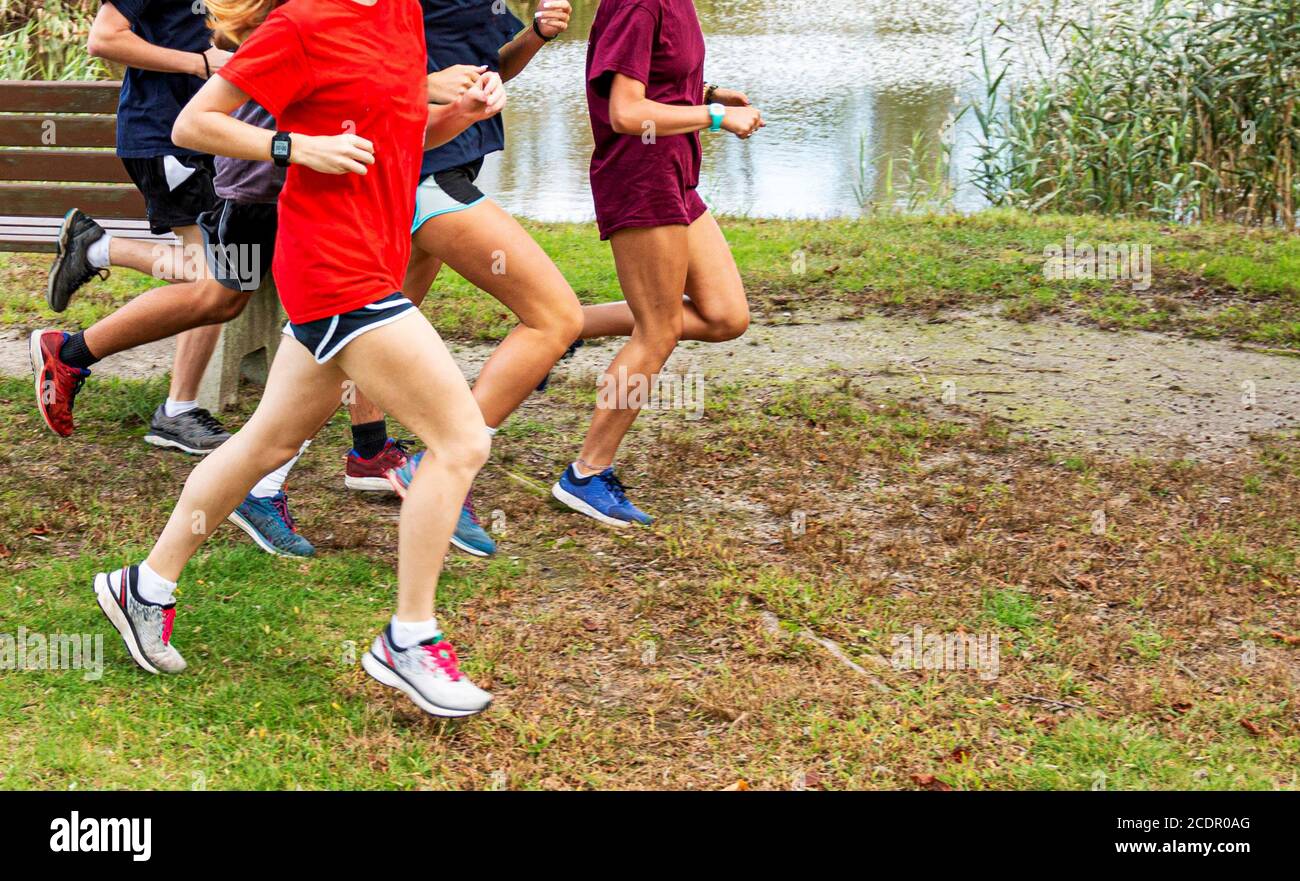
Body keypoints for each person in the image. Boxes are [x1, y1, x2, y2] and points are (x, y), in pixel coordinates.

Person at [92, 0, 508, 717]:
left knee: (268, 441)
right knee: (461, 439)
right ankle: (410, 637)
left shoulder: (403, 15)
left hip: (368, 260)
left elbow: (397, 137)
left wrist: (461, 114)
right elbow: (196, 122)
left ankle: (145, 585)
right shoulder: (303, 24)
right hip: (333, 268)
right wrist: (292, 147)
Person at [381, 0, 583, 559]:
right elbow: (350, 74)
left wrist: (537, 35)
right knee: (556, 317)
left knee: (362, 334)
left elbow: (491, 64)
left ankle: (287, 474)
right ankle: (439, 466)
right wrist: (424, 84)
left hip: (444, 165)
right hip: (425, 172)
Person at [549, 0, 762, 527]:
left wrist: (706, 93)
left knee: (726, 316)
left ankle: (568, 326)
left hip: (675, 172)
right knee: (659, 329)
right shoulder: (639, 4)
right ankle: (586, 475)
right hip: (641, 177)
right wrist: (716, 116)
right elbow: (625, 112)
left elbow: (656, 78)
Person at [37, 0, 236, 454]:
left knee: (224, 273)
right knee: (218, 277)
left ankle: (97, 249)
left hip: (217, 135)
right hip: (167, 137)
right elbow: (104, 37)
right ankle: (173, 407)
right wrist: (200, 63)